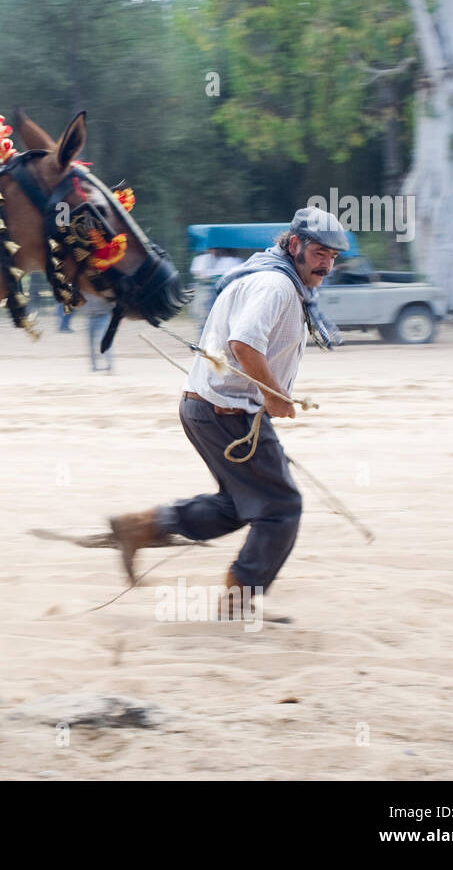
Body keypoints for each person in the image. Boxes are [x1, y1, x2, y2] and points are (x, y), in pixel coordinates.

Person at [93, 208, 347, 617]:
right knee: (281, 508)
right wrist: (275, 396)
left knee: (238, 504)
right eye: (320, 252)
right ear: (294, 245)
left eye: (334, 257)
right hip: (226, 411)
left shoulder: (271, 276)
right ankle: (237, 602)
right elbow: (244, 344)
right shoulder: (276, 285)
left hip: (205, 406)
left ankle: (140, 526)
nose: (327, 264)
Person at [83, 290, 114, 372]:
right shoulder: (83, 285)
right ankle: (94, 366)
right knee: (91, 342)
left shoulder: (102, 285)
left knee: (104, 340)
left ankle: (109, 364)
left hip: (104, 315)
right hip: (91, 316)